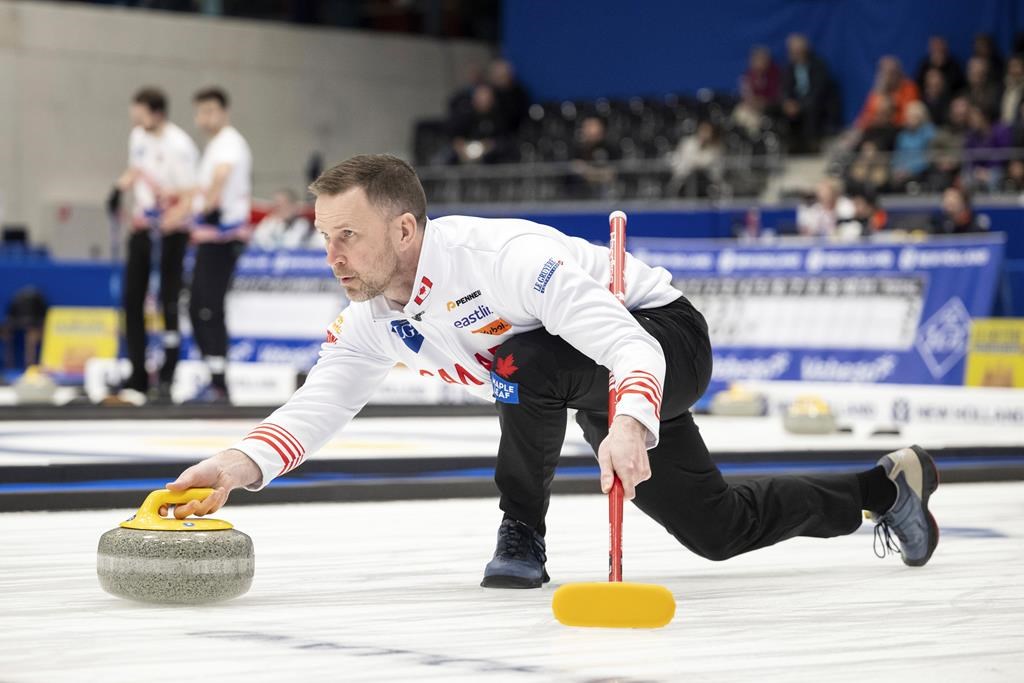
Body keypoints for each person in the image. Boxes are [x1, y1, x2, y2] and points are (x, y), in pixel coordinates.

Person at [162, 154, 941, 588]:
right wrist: (237, 465)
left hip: (663, 336)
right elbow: (318, 404)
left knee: (522, 358)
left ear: (404, 227)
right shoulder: (370, 317)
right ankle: (887, 487)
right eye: (324, 236)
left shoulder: (501, 262)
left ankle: (522, 535)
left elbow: (631, 348)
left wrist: (631, 419)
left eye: (347, 236)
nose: (331, 257)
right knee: (715, 529)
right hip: (582, 378)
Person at [107, 86, 198, 405]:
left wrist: (171, 219)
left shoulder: (179, 145)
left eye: (142, 115)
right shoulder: (138, 136)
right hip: (143, 229)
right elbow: (136, 169)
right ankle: (137, 374)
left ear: (157, 113)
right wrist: (119, 188)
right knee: (132, 299)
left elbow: (190, 195)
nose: (137, 120)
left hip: (171, 231)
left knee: (167, 302)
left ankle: (168, 376)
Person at [188, 87, 253, 403]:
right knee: (198, 304)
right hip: (210, 236)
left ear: (223, 112)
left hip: (222, 237)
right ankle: (213, 375)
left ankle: (219, 382)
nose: (204, 117)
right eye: (200, 112)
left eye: (210, 111)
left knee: (209, 305)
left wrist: (209, 207)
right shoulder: (216, 144)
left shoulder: (229, 142)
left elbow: (221, 176)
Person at [780, 34, 832, 153]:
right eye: (792, 51)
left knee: (812, 108)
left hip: (814, 102)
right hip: (795, 103)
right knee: (780, 109)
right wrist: (788, 102)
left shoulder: (818, 65)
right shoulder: (789, 68)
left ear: (804, 50)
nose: (794, 54)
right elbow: (785, 88)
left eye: (797, 51)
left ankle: (811, 145)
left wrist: (800, 105)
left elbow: (819, 91)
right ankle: (790, 146)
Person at [853, 56, 920, 132]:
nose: (888, 76)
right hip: (874, 130)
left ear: (899, 73)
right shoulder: (876, 91)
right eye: (884, 72)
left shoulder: (909, 88)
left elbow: (908, 118)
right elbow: (865, 117)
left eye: (892, 73)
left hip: (897, 131)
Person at [567, 116, 620, 199]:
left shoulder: (610, 148)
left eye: (592, 126)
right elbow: (574, 168)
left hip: (606, 196)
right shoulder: (576, 149)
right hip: (578, 196)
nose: (588, 130)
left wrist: (586, 172)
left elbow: (611, 175)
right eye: (586, 126)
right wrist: (599, 175)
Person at [667, 120, 723, 197]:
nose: (705, 133)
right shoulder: (687, 143)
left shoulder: (715, 147)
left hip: (707, 180)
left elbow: (708, 162)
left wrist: (696, 162)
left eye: (707, 131)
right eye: (703, 130)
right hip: (684, 179)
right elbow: (685, 162)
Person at [890, 101, 937, 192]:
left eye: (914, 117)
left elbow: (929, 156)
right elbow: (897, 155)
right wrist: (896, 169)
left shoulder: (929, 132)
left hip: (922, 172)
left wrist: (910, 171)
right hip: (902, 172)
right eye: (908, 116)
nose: (910, 119)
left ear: (921, 117)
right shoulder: (902, 135)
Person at [251, 189, 316, 250]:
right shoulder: (269, 222)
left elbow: (292, 245)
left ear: (293, 206)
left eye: (283, 204)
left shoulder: (302, 224)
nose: (279, 208)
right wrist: (274, 224)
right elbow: (258, 240)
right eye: (277, 205)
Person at [999, 56, 1024, 126]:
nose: (1014, 70)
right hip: (1004, 127)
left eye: (1017, 66)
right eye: (1011, 67)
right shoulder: (1003, 86)